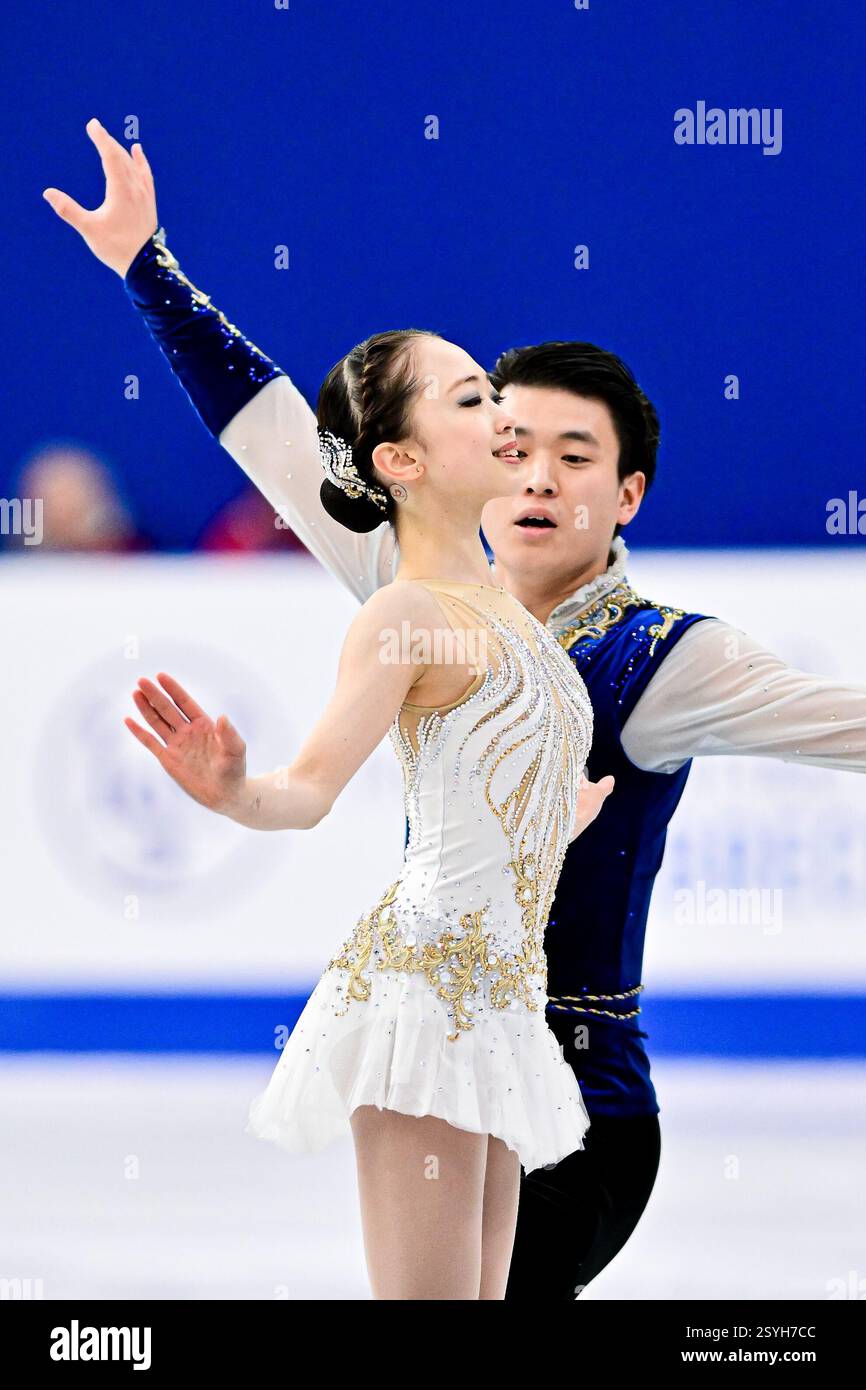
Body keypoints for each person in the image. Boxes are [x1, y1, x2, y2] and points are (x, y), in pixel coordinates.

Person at [43, 118, 866, 1301]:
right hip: (451, 1029)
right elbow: (280, 438)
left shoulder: (663, 656)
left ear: (628, 494)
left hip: (575, 1090)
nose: (531, 471)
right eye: (508, 433)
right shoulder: (413, 589)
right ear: (425, 458)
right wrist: (149, 270)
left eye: (571, 457)